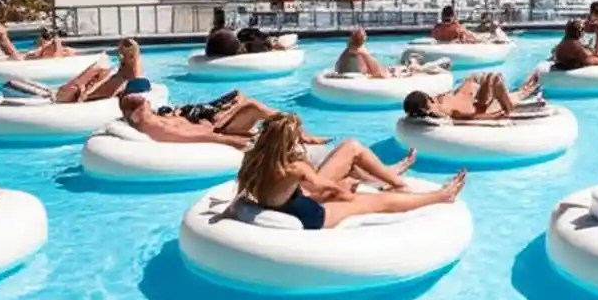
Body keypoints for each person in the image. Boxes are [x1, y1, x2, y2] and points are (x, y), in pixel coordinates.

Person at [230, 112, 466, 230]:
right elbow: (329, 190)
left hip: (288, 201)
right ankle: (441, 196)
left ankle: (392, 175)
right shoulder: (296, 168)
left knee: (350, 147)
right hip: (310, 215)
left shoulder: (253, 160)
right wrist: (347, 192)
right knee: (377, 202)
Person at [118, 78, 326, 146]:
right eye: (138, 103)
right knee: (251, 106)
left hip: (213, 126)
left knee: (241, 98)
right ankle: (300, 133)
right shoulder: (153, 125)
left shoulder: (152, 118)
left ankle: (295, 130)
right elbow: (188, 136)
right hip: (218, 131)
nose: (144, 101)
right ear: (134, 114)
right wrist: (229, 140)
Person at [6, 38, 143, 103]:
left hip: (58, 96)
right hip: (58, 96)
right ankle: (124, 68)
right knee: (99, 69)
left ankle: (121, 69)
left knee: (101, 69)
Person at [403, 71, 542, 121]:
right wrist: (492, 117)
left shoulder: (438, 100)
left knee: (516, 88)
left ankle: (528, 87)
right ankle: (516, 102)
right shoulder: (442, 111)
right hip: (480, 104)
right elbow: (470, 116)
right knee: (497, 80)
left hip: (475, 95)